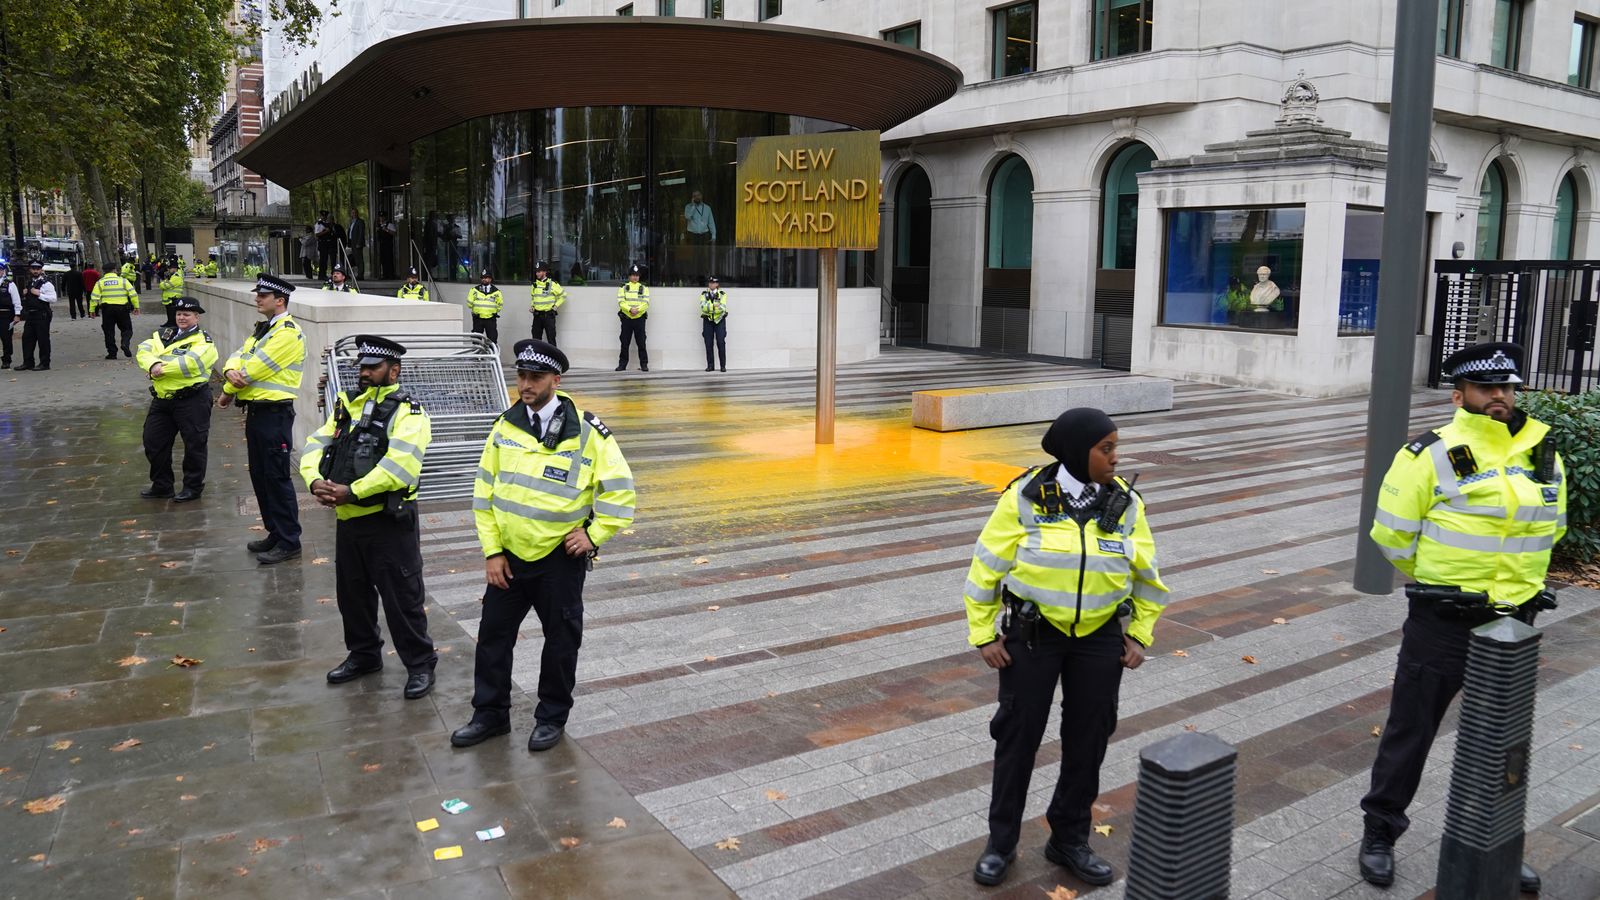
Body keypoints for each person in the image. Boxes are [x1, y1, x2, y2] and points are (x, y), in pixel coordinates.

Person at [1359, 342, 1565, 895]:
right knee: (1411, 729)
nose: (1499, 396)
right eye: (1485, 388)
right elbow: (1392, 535)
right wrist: (1439, 582)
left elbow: (1553, 529)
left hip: (1513, 624)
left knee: (1502, 740)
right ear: (1459, 395)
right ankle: (1380, 832)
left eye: (1507, 387)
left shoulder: (1543, 453)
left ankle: (1495, 841)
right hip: (1444, 620)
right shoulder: (1429, 454)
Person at [965, 408, 1169, 888]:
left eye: (1115, 447)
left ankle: (1070, 838)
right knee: (1018, 739)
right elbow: (986, 567)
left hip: (1098, 638)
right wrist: (983, 633)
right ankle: (1001, 843)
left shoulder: (1126, 503)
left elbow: (1148, 575)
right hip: (1033, 636)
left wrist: (1140, 631)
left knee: (1088, 740)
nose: (1116, 457)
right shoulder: (1025, 496)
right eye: (1107, 448)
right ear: (1079, 452)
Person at [451, 339, 636, 751]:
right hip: (510, 558)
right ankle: (490, 715)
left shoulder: (587, 431)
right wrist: (492, 552)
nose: (525, 384)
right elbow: (484, 495)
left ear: (556, 379)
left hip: (558, 560)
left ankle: (551, 717)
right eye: (521, 376)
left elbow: (621, 492)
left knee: (561, 641)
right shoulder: (505, 426)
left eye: (535, 377)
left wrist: (593, 534)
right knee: (492, 638)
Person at [300, 335, 437, 700]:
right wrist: (314, 480)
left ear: (394, 370)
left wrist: (353, 491)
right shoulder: (346, 406)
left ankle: (421, 664)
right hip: (349, 520)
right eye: (361, 366)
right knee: (353, 596)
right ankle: (364, 655)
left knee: (402, 598)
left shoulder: (409, 413)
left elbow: (400, 467)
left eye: (372, 367)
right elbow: (317, 444)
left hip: (388, 522)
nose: (364, 373)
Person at [218, 274, 307, 565]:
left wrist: (228, 389)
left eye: (263, 295)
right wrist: (231, 371)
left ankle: (289, 540)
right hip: (258, 413)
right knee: (260, 476)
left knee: (277, 477)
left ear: (279, 300)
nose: (257, 298)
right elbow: (238, 355)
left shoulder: (287, 333)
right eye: (258, 294)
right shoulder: (264, 329)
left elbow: (252, 370)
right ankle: (275, 532)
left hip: (275, 414)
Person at [137, 296, 217, 503]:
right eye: (179, 314)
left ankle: (192, 487)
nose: (182, 317)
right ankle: (162, 486)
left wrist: (159, 369)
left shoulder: (203, 340)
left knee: (194, 445)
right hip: (162, 400)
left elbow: (192, 364)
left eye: (187, 314)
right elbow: (143, 350)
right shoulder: (163, 334)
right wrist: (152, 364)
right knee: (153, 442)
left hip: (192, 399)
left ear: (196, 317)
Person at [90, 265, 140, 359]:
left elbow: (94, 297)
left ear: (104, 272)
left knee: (108, 331)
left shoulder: (100, 282)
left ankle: (112, 353)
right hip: (122, 308)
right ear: (115, 270)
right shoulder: (123, 281)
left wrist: (92, 310)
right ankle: (125, 343)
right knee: (127, 329)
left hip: (107, 309)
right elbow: (133, 294)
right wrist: (136, 307)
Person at [17, 260, 56, 371]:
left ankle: (44, 363)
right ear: (30, 270)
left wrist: (39, 294)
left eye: (38, 269)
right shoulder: (29, 282)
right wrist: (26, 293)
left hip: (42, 314)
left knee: (43, 339)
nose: (35, 271)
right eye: (33, 269)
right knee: (27, 338)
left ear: (41, 270)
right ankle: (28, 362)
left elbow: (53, 298)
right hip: (31, 314)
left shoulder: (46, 283)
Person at [615, 264, 650, 372]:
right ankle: (622, 365)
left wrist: (637, 310)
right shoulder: (623, 288)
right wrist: (630, 310)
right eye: (633, 275)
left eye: (637, 275)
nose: (635, 277)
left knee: (641, 342)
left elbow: (646, 303)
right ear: (629, 276)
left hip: (639, 319)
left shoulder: (644, 288)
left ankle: (644, 364)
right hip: (626, 318)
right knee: (624, 343)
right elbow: (621, 302)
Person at [529, 261, 567, 344]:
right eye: (536, 272)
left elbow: (563, 295)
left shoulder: (552, 284)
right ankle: (537, 356)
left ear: (545, 272)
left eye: (539, 271)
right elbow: (533, 297)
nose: (537, 274)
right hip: (537, 316)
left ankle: (553, 357)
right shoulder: (534, 285)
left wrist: (556, 306)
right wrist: (532, 306)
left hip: (548, 316)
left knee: (551, 339)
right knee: (535, 340)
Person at [699, 275, 729, 372]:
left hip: (719, 321)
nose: (711, 284)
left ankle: (722, 366)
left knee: (721, 342)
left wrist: (710, 307)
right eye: (710, 283)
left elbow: (722, 308)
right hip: (708, 321)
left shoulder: (722, 294)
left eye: (713, 283)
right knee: (708, 343)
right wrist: (714, 306)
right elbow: (703, 307)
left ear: (717, 284)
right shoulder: (704, 294)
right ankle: (710, 365)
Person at [468, 269, 503, 346]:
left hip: (490, 319)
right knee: (476, 340)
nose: (484, 279)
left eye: (486, 277)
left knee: (492, 341)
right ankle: (476, 357)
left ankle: (491, 357)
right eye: (482, 277)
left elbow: (500, 305)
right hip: (478, 319)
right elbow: (469, 304)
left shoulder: (496, 292)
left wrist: (490, 311)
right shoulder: (474, 290)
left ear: (490, 279)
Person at [0, 260, 19, 369]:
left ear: (3, 271)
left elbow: (16, 301)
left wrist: (17, 314)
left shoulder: (9, 284)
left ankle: (6, 360)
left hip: (5, 315)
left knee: (6, 339)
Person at [159, 261, 184, 328]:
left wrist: (163, 282)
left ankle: (172, 327)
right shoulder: (172, 276)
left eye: (169, 269)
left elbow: (165, 286)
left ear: (174, 269)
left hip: (173, 298)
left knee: (172, 315)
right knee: (169, 314)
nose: (168, 270)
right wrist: (165, 281)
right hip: (170, 299)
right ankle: (168, 323)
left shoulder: (176, 277)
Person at [346, 207, 366, 279]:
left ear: (357, 213)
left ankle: (361, 275)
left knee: (359, 259)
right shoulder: (352, 222)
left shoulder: (360, 221)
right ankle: (357, 274)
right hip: (352, 242)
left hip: (357, 243)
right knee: (355, 258)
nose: (353, 214)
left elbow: (361, 233)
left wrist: (359, 242)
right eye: (352, 213)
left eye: (354, 213)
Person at [376, 212, 397, 280]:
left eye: (382, 217)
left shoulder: (389, 224)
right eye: (380, 217)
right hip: (382, 245)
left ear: (385, 217)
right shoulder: (379, 225)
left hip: (388, 245)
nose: (381, 218)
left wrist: (387, 230)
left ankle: (391, 275)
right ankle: (385, 274)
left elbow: (394, 233)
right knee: (383, 260)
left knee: (389, 259)